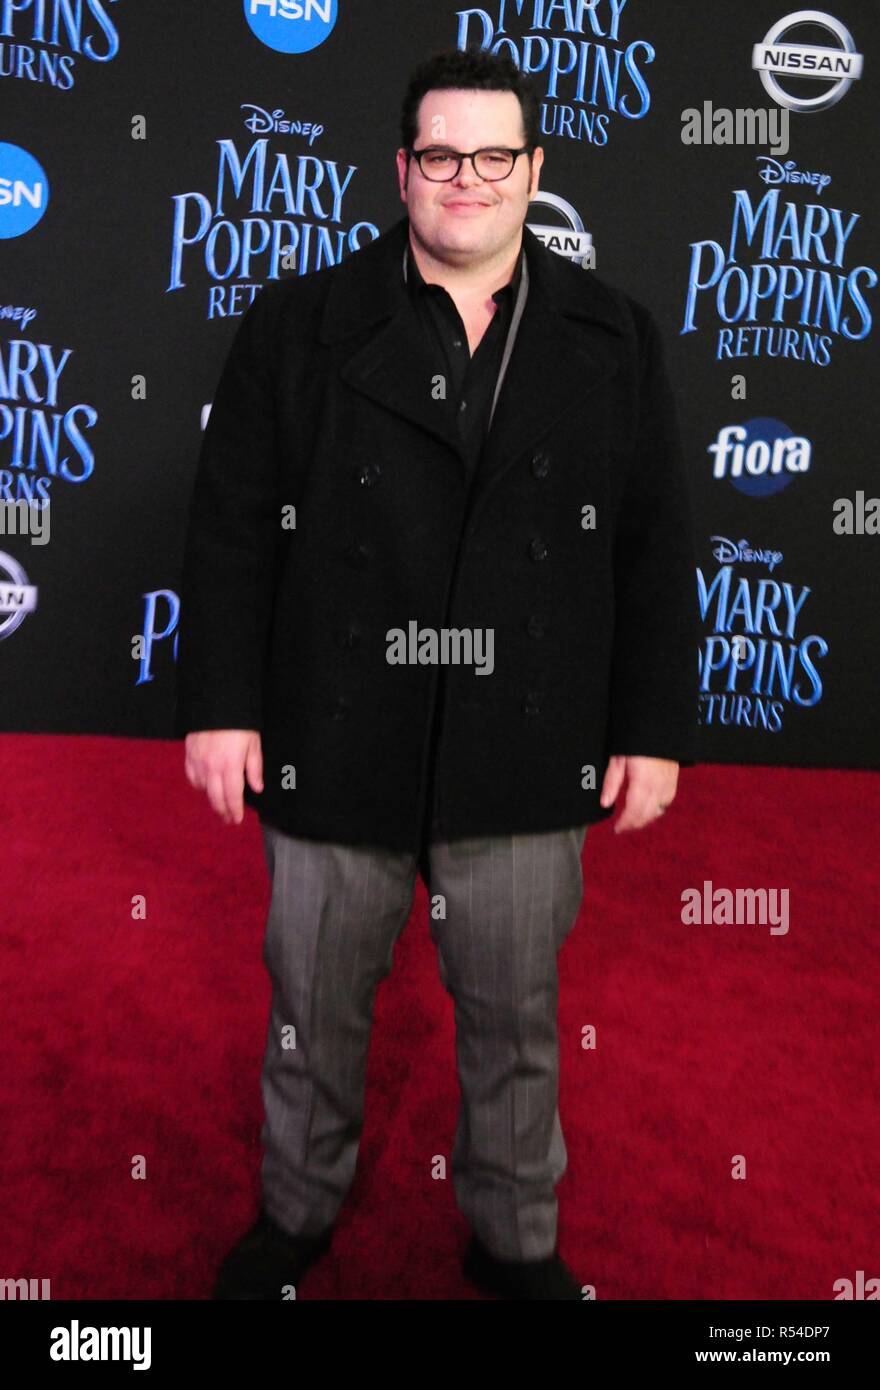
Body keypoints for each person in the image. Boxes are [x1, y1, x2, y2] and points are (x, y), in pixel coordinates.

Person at [175, 46, 699, 1301]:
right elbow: (232, 525)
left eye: (495, 156)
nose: (469, 179)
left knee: (516, 1022)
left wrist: (653, 727)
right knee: (311, 1006)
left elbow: (653, 544)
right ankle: (295, 1216)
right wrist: (222, 709)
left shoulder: (613, 336)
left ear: (534, 172)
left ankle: (514, 1243)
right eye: (442, 155)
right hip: (330, 727)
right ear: (403, 169)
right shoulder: (299, 323)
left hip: (523, 744)